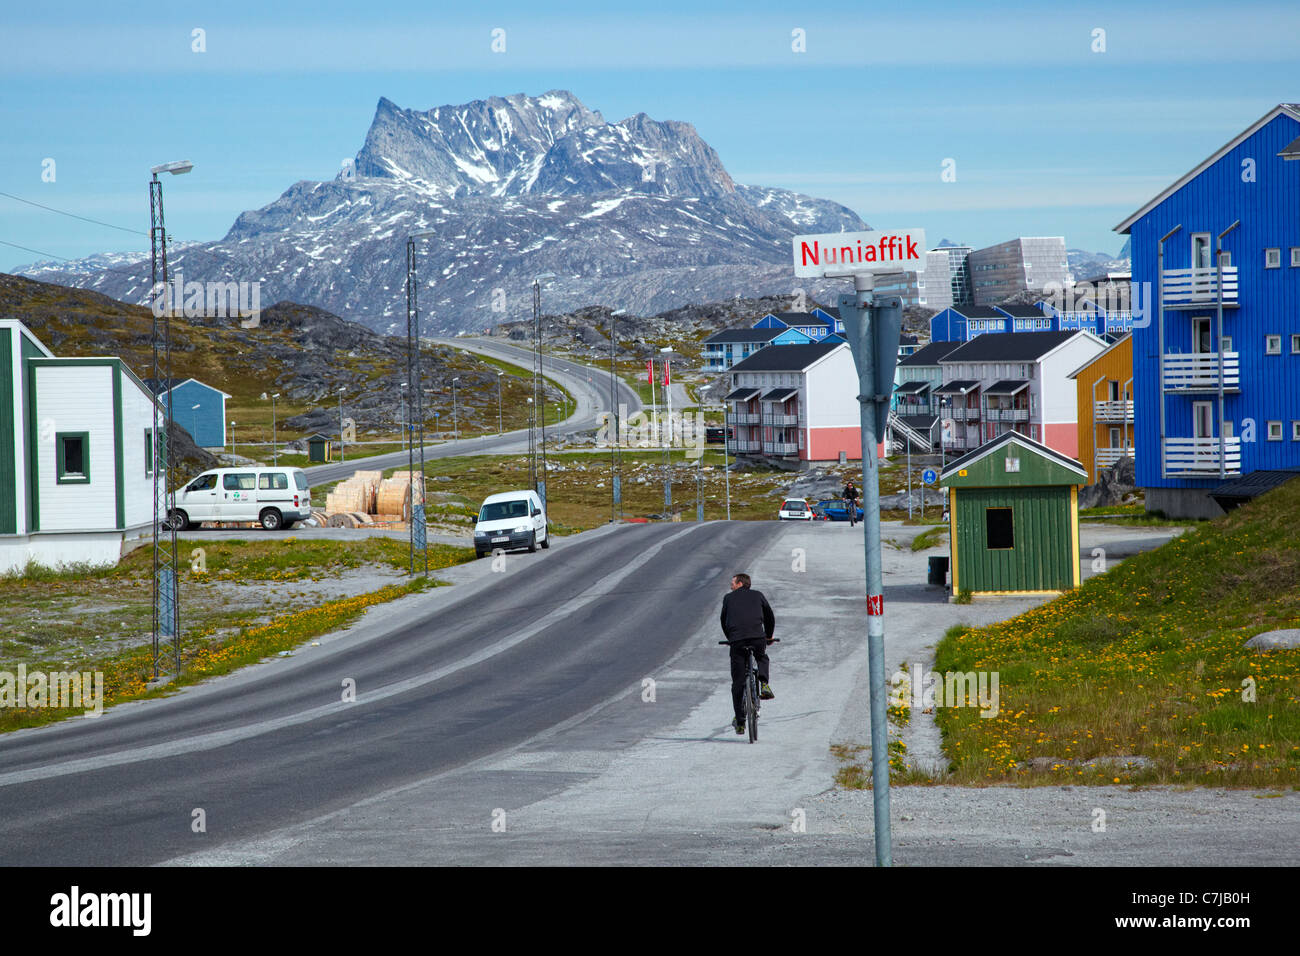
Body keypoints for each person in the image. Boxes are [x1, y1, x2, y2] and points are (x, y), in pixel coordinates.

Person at [719, 572, 775, 735]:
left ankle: (741, 722)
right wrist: (769, 635)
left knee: (737, 682)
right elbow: (769, 616)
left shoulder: (728, 598)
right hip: (757, 638)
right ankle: (764, 683)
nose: (731, 585)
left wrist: (731, 638)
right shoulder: (758, 595)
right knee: (762, 657)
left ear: (740, 584)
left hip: (737, 641)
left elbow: (724, 621)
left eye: (733, 583)